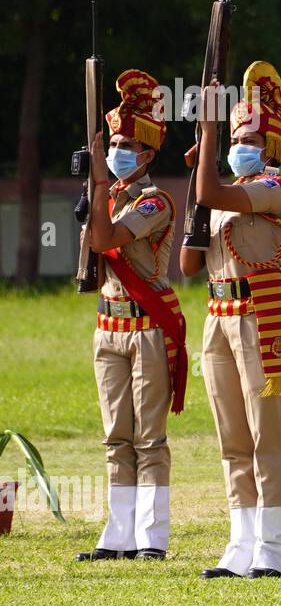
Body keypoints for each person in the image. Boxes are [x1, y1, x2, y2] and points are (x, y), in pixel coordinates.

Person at [180, 62, 281, 578]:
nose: (236, 143)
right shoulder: (222, 190)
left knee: (264, 433)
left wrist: (205, 136)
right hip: (218, 314)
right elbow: (188, 264)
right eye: (231, 135)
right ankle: (240, 542)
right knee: (232, 436)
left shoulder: (276, 188)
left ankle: (274, 548)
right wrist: (197, 170)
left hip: (261, 313)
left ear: (270, 143)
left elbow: (213, 194)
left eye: (246, 136)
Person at [76, 69, 187, 562]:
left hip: (146, 328)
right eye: (111, 143)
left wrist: (100, 183)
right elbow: (88, 259)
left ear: (145, 153)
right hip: (109, 325)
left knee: (148, 438)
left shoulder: (154, 202)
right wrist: (96, 190)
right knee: (115, 436)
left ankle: (151, 535)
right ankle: (117, 532)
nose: (117, 151)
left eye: (124, 145)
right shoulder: (108, 195)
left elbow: (108, 240)